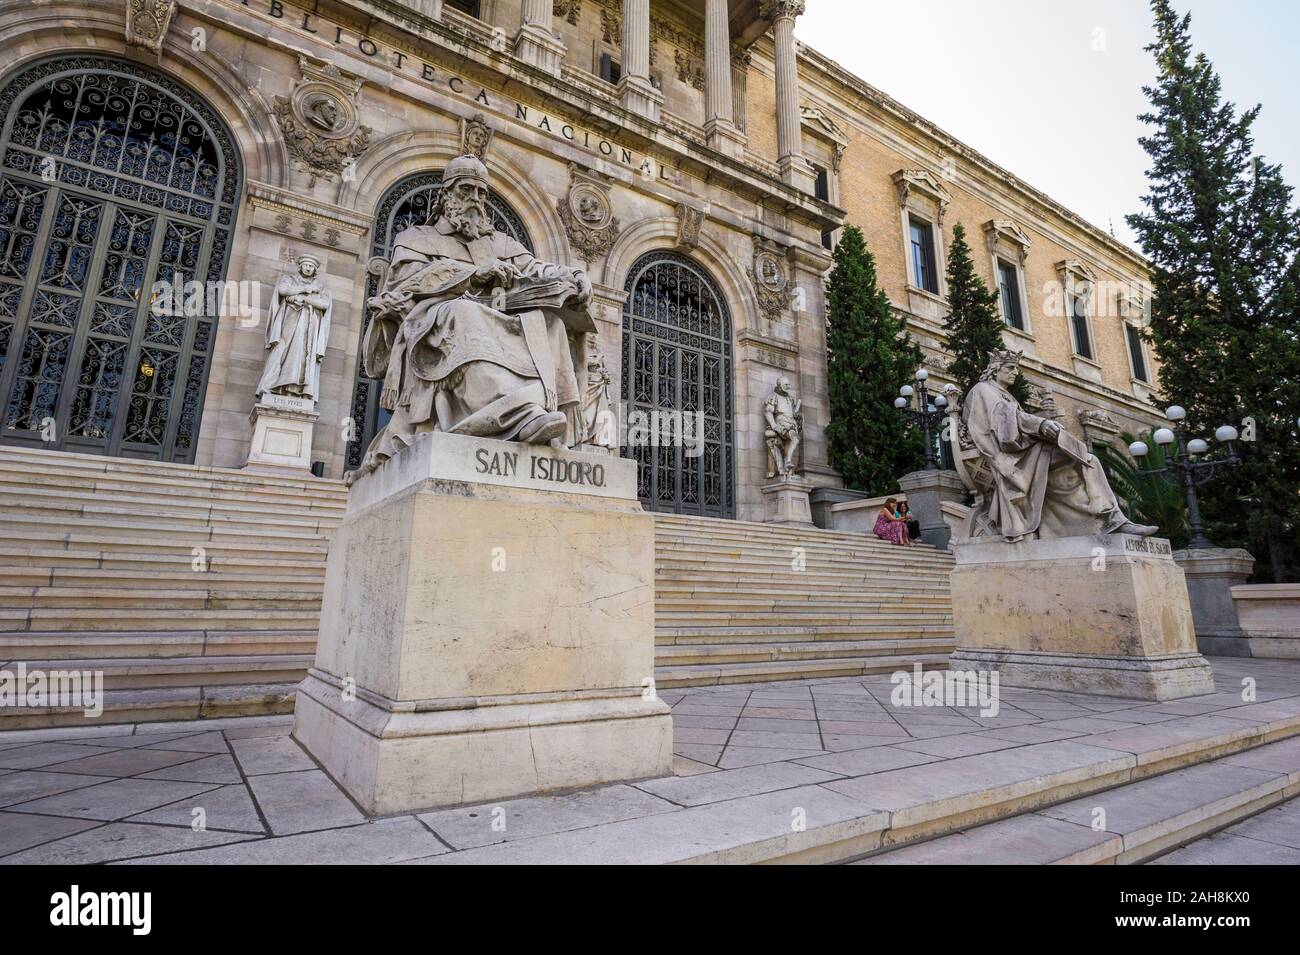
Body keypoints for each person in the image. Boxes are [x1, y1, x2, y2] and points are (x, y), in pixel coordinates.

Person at [961, 349, 1158, 541]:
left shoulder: (1004, 394)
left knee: (1085, 462)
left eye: (1016, 368)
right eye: (1011, 368)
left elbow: (1014, 421)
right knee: (1083, 461)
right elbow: (1003, 423)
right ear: (996, 369)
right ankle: (1109, 521)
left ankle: (1109, 520)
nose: (1016, 373)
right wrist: (1041, 424)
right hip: (1007, 458)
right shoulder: (983, 390)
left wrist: (1041, 425)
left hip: (1024, 454)